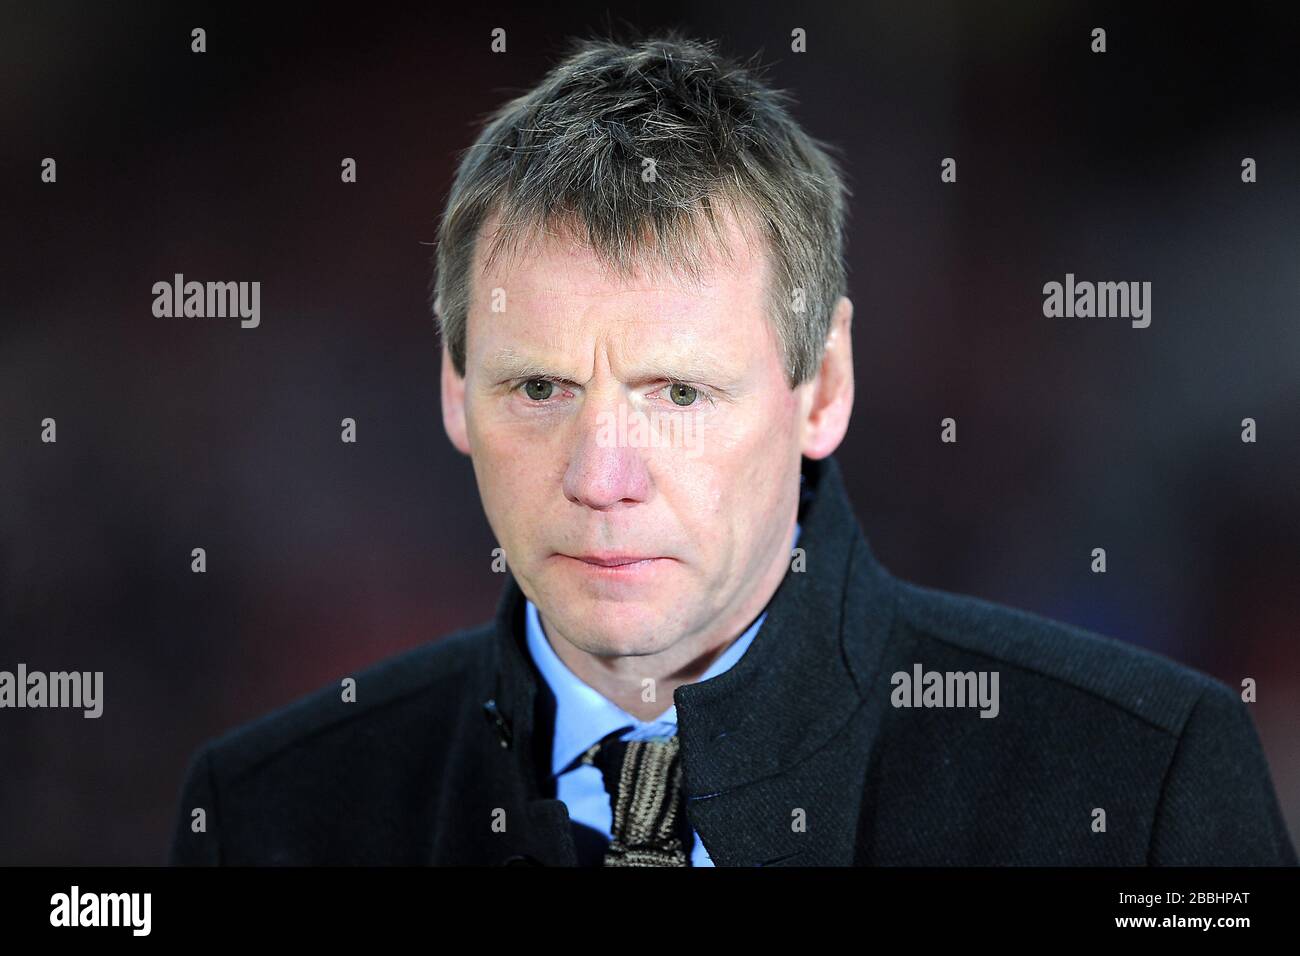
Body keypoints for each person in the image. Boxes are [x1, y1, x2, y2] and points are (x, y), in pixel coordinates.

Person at [169, 31, 1296, 867]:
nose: (601, 477)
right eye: (540, 387)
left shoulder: (1138, 782)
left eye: (679, 392)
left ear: (824, 388)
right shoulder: (268, 815)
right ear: (455, 392)